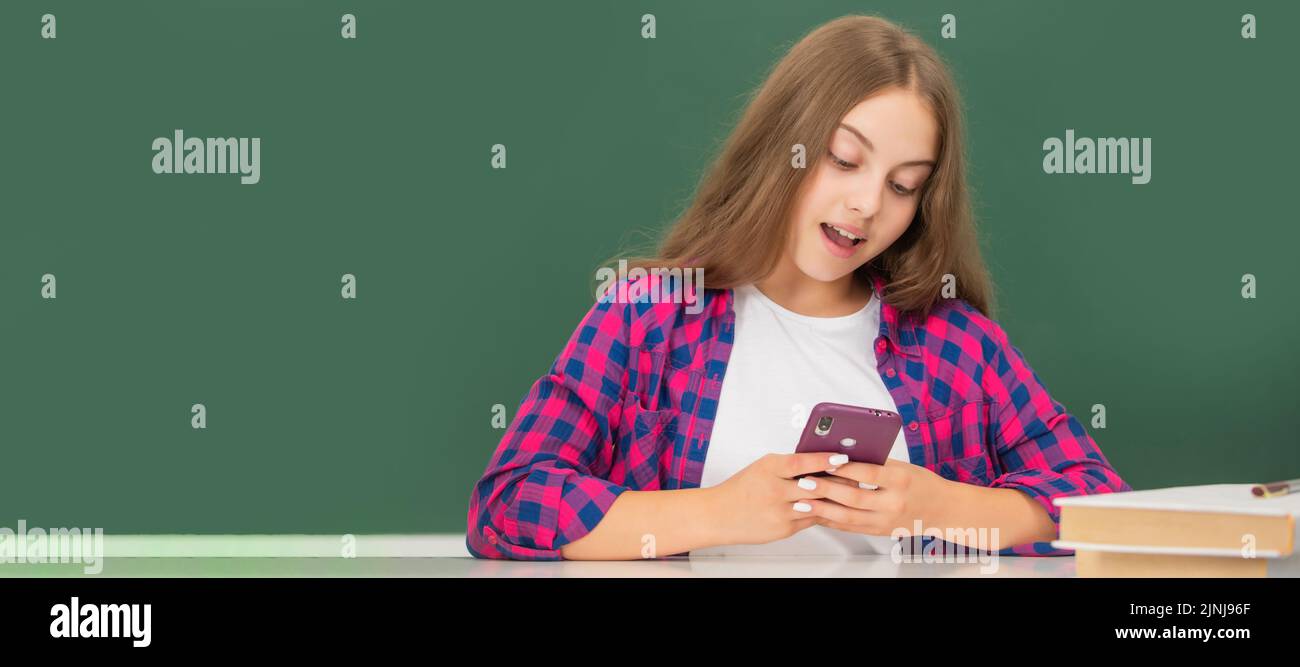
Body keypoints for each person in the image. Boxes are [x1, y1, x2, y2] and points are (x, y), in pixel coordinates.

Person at [466, 15, 1130, 561]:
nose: (868, 203)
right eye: (844, 159)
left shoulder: (957, 344)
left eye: (904, 185)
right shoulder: (651, 316)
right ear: (784, 144)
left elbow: (1103, 505)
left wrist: (939, 505)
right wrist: (717, 512)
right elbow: (504, 507)